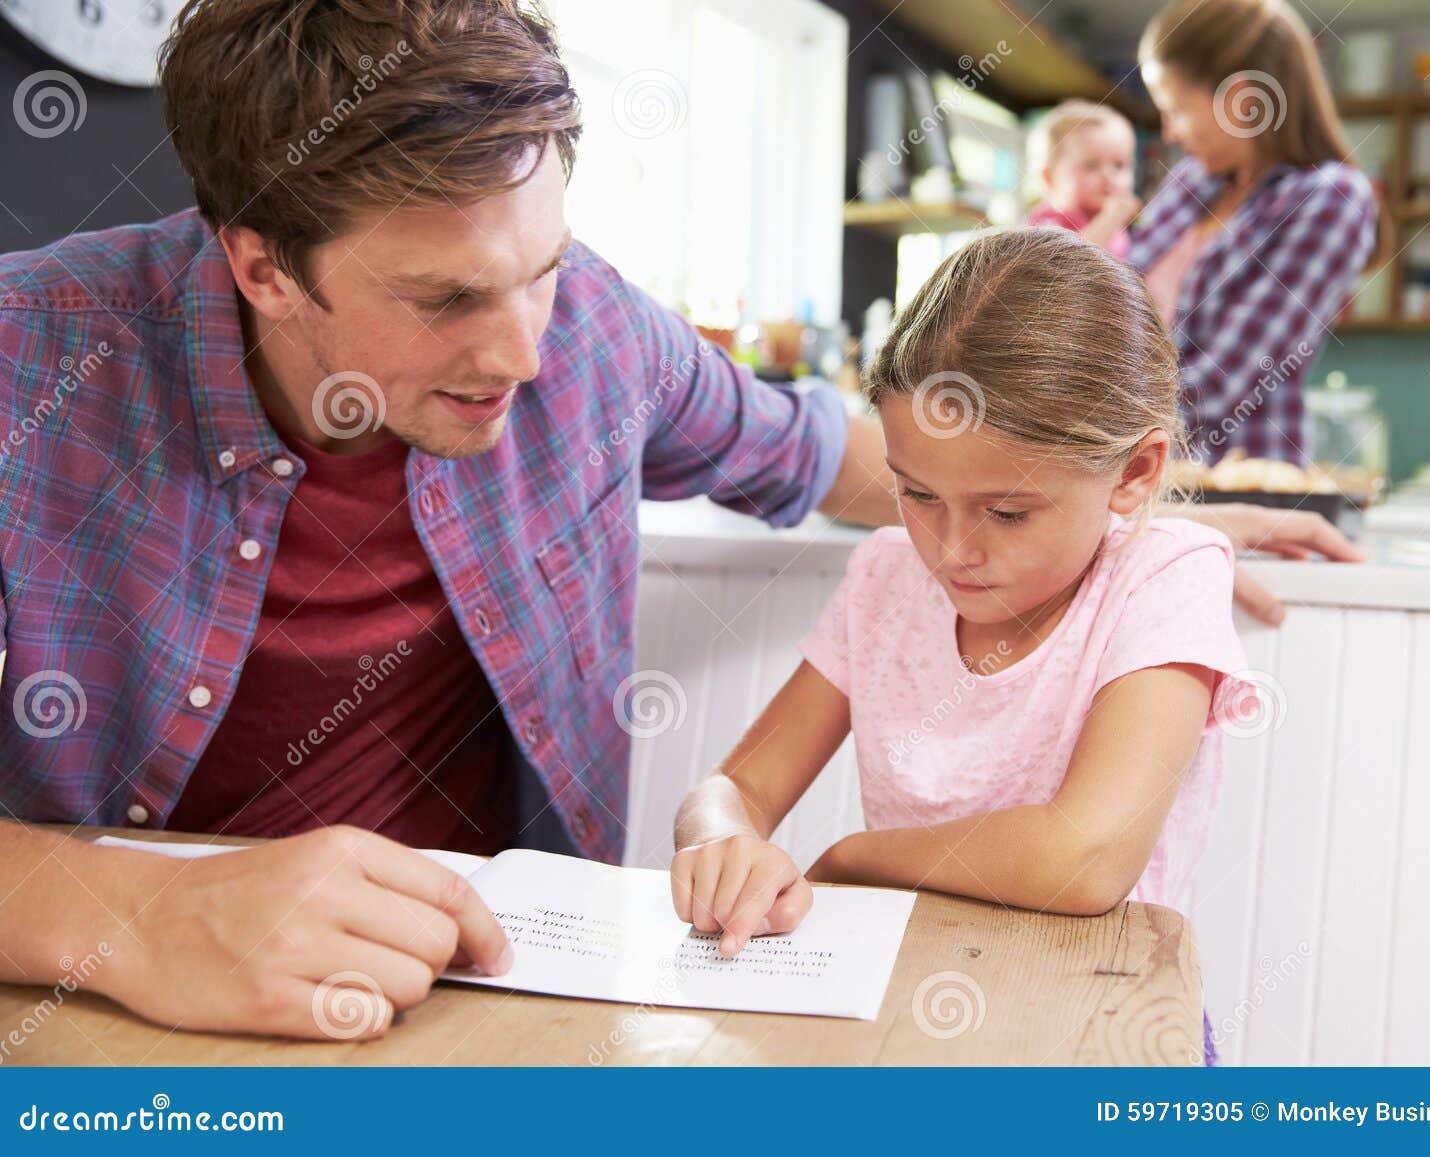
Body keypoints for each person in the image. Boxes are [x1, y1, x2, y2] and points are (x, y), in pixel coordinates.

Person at [0, 0, 1351, 1041]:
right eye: (444, 300)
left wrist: (1135, 498)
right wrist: (138, 915)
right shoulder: (34, 357)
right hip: (119, 1023)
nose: (525, 352)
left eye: (540, 266)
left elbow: (854, 459)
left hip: (498, 1003)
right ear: (260, 266)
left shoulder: (599, 334)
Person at [672, 229, 1256, 1064]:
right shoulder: (885, 575)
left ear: (1133, 472)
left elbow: (1083, 857)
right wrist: (718, 839)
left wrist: (849, 857)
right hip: (905, 1008)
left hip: (1101, 1026)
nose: (951, 550)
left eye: (1008, 512)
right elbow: (735, 784)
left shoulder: (1166, 578)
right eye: (916, 494)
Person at [1128, 0, 1383, 465]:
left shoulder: (1330, 198)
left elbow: (1220, 383)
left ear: (1242, 100)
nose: (1169, 132)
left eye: (1177, 109)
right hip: (1127, 476)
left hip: (1232, 490)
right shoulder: (1187, 184)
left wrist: (1073, 430)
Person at [1026, 100, 1141, 258]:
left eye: (1119, 166)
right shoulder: (1048, 222)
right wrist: (1111, 218)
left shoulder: (1117, 228)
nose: (1109, 176)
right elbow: (1075, 262)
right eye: (1091, 166)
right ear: (1049, 178)